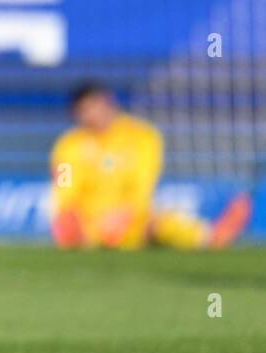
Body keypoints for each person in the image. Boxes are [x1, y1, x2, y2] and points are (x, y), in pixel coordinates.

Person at [50, 83, 251, 251]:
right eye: (83, 110)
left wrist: (123, 216)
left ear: (109, 102)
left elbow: (143, 187)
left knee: (162, 223)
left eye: (94, 106)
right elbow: (65, 187)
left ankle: (212, 236)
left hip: (132, 218)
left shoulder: (142, 137)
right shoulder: (69, 145)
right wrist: (68, 215)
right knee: (84, 235)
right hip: (89, 222)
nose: (91, 114)